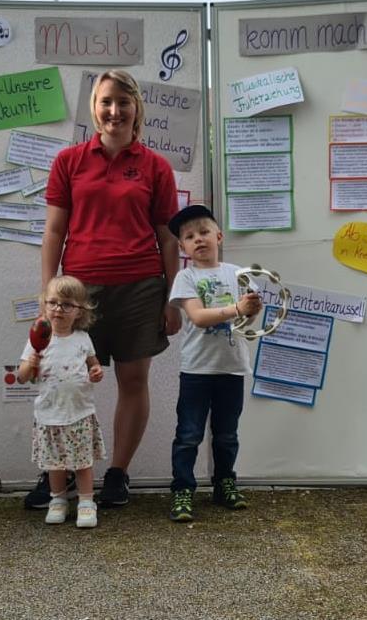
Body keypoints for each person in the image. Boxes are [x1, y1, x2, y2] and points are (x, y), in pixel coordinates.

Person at [41, 69, 180, 508]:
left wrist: (173, 299)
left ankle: (118, 474)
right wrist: (49, 295)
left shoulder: (156, 166)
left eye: (123, 101)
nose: (114, 110)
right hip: (79, 292)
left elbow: (168, 238)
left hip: (141, 288)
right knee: (67, 381)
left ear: (136, 107)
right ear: (94, 107)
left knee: (133, 381)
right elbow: (54, 232)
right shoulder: (69, 161)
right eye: (106, 101)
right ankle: (60, 475)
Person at [166, 205, 262, 522]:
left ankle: (224, 484)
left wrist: (251, 309)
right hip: (197, 370)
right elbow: (197, 316)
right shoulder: (186, 277)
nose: (198, 239)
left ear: (219, 236)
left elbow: (247, 318)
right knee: (188, 435)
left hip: (231, 368)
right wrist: (237, 308)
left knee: (227, 435)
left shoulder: (238, 274)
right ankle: (182, 489)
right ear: (182, 246)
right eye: (189, 236)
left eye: (204, 232)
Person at [17, 276, 105, 528]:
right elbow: (22, 377)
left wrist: (96, 371)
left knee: (83, 462)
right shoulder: (38, 340)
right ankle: (58, 500)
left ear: (79, 311)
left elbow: (94, 364)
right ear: (44, 304)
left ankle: (86, 501)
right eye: (52, 302)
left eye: (67, 304)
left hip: (79, 412)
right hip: (50, 413)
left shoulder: (82, 339)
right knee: (55, 464)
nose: (58, 309)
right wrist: (31, 364)